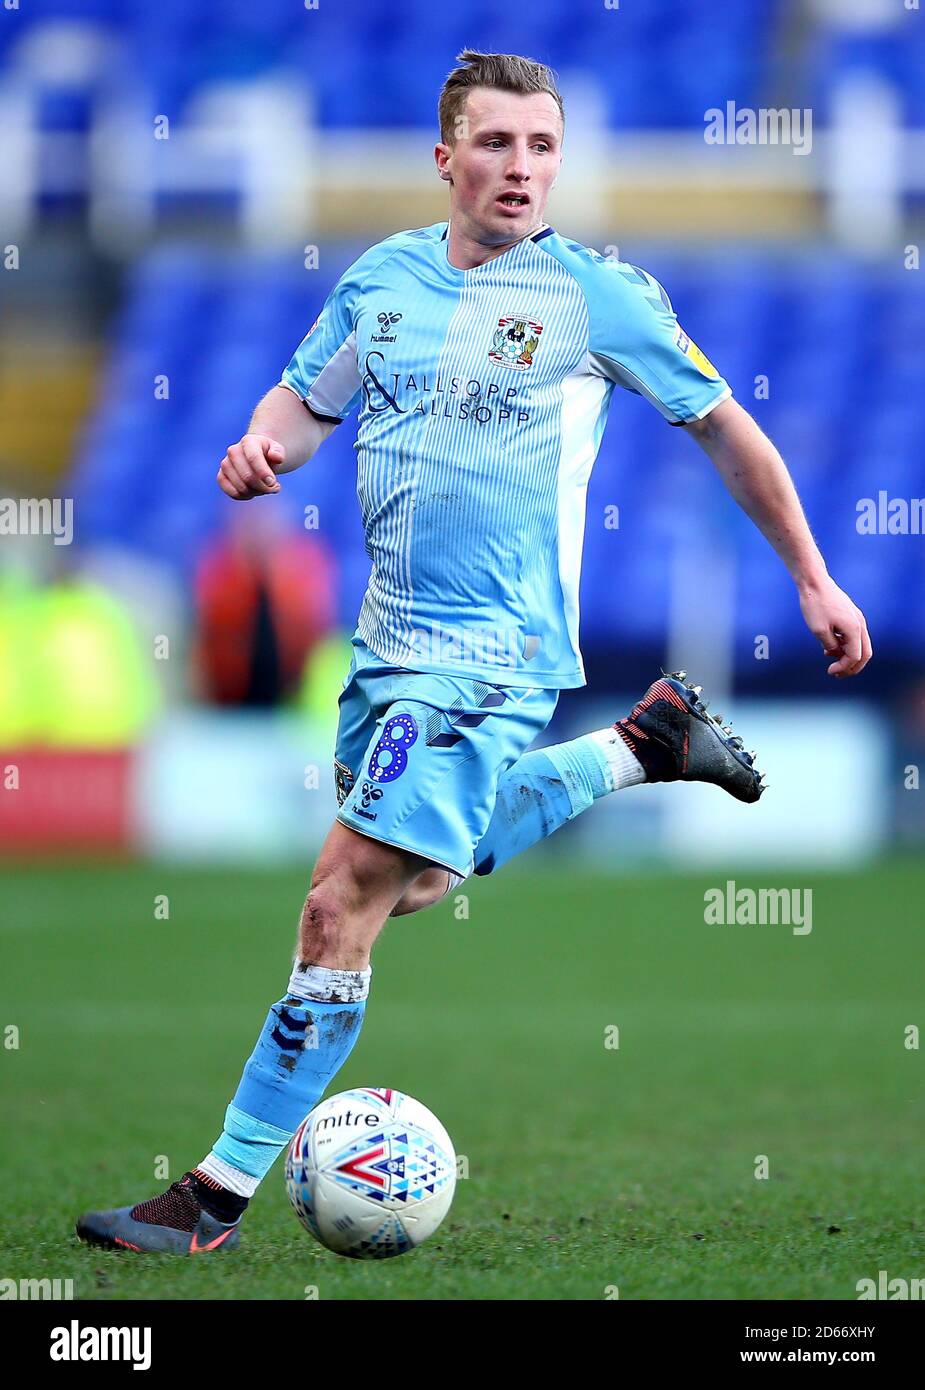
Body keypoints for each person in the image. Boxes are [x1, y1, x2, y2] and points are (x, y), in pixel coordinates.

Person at [77, 50, 871, 1255]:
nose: (521, 167)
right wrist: (256, 449)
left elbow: (729, 432)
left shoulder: (596, 296)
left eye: (542, 146)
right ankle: (642, 743)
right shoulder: (380, 280)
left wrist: (811, 574)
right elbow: (303, 402)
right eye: (496, 144)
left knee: (341, 897)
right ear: (445, 157)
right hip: (386, 651)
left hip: (493, 655)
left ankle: (213, 1195)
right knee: (421, 879)